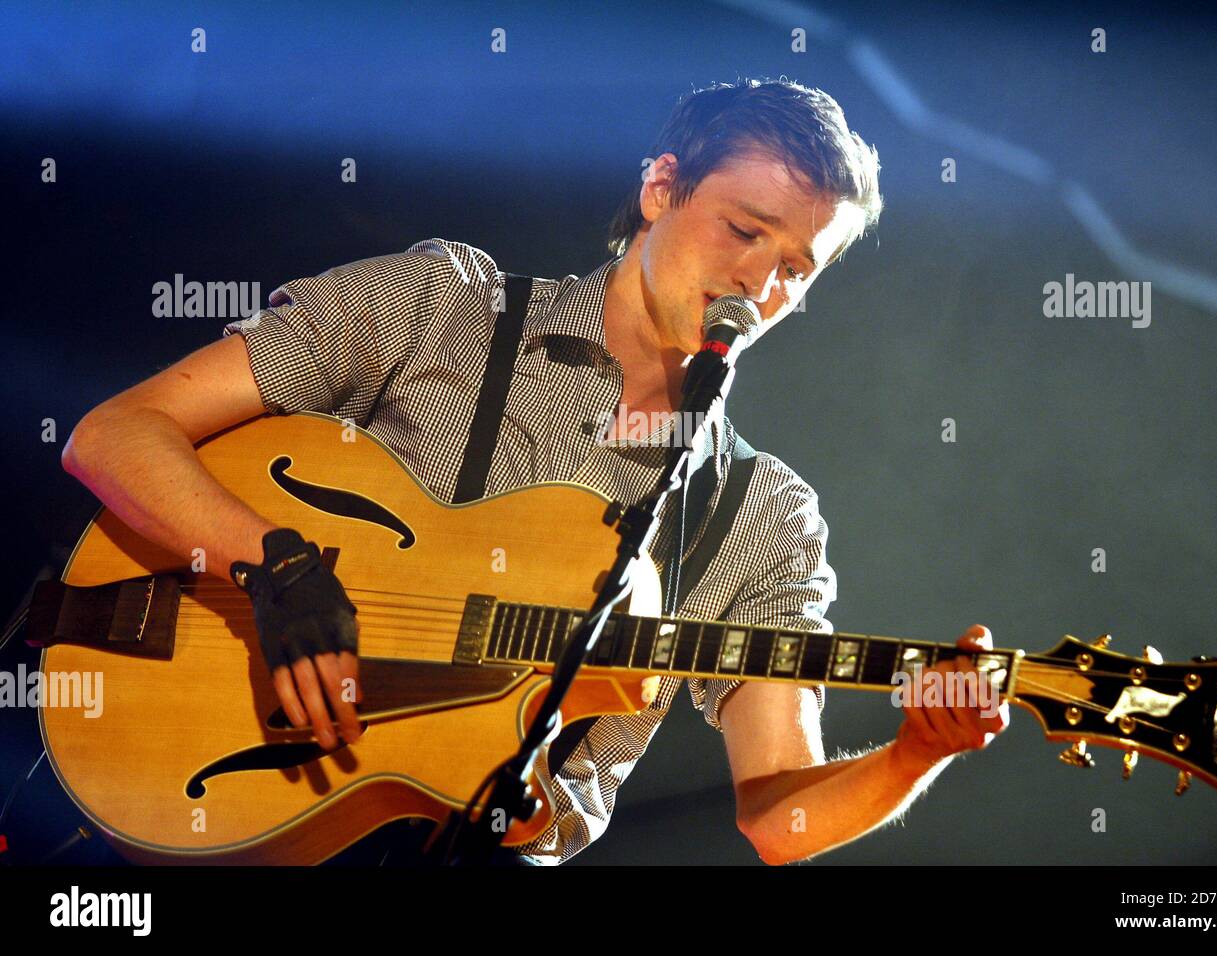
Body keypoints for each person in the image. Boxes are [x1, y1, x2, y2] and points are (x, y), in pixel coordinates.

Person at [60, 76, 1008, 866]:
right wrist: (276, 564)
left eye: (799, 268)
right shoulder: (440, 306)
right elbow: (115, 435)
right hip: (204, 784)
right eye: (743, 230)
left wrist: (914, 753)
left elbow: (778, 819)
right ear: (661, 189)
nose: (761, 287)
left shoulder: (762, 515)